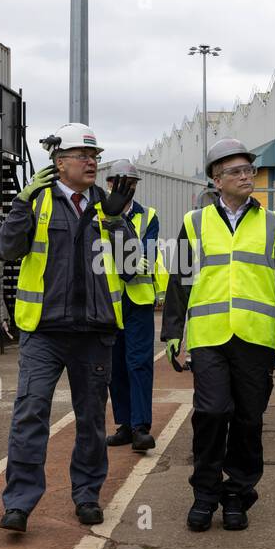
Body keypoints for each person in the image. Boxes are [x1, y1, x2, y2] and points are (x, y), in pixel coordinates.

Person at [0, 123, 137, 534]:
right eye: (83, 156)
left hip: (94, 333)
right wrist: (19, 203)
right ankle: (19, 503)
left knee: (91, 419)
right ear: (60, 164)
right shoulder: (37, 202)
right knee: (29, 414)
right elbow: (8, 249)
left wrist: (116, 222)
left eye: (94, 156)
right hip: (44, 331)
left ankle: (88, 495)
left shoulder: (107, 206)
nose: (92, 162)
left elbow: (129, 266)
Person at [162, 138, 275, 532]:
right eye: (236, 172)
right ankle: (205, 496)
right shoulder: (195, 223)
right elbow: (180, 281)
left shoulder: (273, 224)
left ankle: (238, 495)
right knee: (210, 413)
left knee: (247, 419)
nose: (246, 177)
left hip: (257, 338)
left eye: (249, 170)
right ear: (216, 180)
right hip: (209, 337)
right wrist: (173, 333)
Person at [105, 159, 169, 453]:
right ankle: (124, 426)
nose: (121, 187)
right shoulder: (99, 214)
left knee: (139, 364)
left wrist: (129, 256)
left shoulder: (149, 216)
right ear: (108, 184)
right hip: (108, 301)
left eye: (127, 182)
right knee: (114, 366)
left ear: (134, 186)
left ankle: (141, 426)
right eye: (116, 181)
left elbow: (148, 250)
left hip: (139, 300)